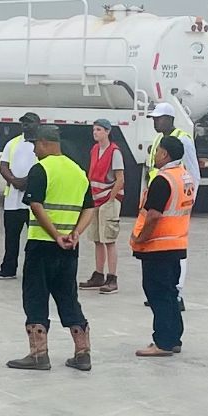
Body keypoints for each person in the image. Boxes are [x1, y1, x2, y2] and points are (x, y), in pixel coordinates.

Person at [6, 126, 96, 372]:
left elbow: (35, 205)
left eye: (35, 145)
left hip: (42, 245)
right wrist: (76, 232)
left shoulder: (41, 169)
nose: (34, 150)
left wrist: (55, 235)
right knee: (68, 297)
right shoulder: (78, 171)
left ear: (46, 143)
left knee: (35, 296)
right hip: (69, 247)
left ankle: (38, 354)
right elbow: (90, 207)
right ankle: (82, 352)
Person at [130, 135, 193, 358]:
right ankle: (174, 337)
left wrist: (140, 238)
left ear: (165, 154)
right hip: (176, 243)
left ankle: (163, 342)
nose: (154, 155)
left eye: (157, 151)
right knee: (169, 293)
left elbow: (154, 215)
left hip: (158, 246)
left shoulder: (163, 179)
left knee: (157, 294)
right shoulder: (184, 176)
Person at [147, 102, 198, 308]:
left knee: (176, 247)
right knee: (160, 249)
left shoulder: (182, 140)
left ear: (169, 119)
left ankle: (176, 292)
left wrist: (189, 201)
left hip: (175, 203)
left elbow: (193, 173)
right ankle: (163, 291)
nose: (155, 122)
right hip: (160, 200)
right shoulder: (160, 139)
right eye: (153, 119)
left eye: (158, 118)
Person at [80, 119, 125, 294]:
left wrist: (110, 198)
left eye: (99, 129)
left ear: (107, 131)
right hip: (95, 198)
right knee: (97, 239)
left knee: (109, 239)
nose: (95, 132)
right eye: (94, 129)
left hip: (108, 199)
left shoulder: (115, 152)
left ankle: (112, 278)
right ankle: (98, 274)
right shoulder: (95, 150)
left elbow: (120, 178)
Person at [0, 112, 40, 281]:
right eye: (23, 123)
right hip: (13, 201)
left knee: (34, 239)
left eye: (29, 123)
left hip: (32, 202)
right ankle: (8, 269)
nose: (25, 126)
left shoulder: (40, 144)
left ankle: (33, 271)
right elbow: (3, 166)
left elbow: (43, 166)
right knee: (11, 238)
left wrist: (27, 181)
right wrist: (13, 180)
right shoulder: (12, 143)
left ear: (37, 124)